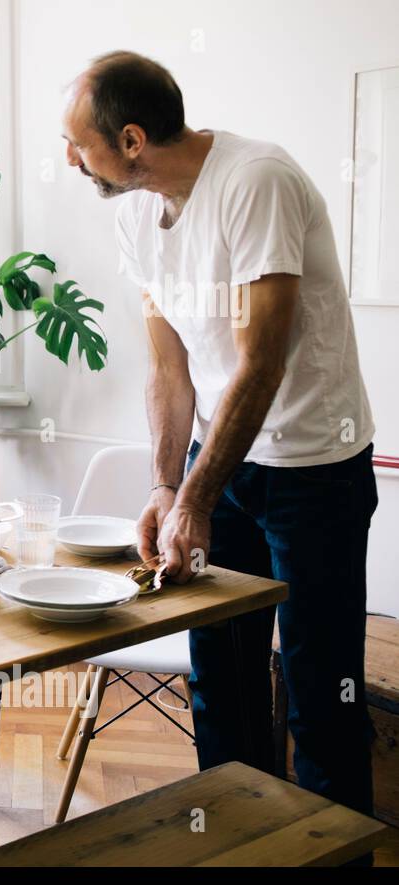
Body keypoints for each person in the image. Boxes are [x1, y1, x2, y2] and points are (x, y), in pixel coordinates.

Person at [63, 51, 377, 816]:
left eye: (79, 143)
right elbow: (169, 369)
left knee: (319, 698)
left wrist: (196, 498)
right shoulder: (137, 213)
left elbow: (259, 362)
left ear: (132, 140)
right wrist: (168, 485)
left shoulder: (256, 180)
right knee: (222, 686)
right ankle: (240, 863)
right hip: (223, 462)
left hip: (315, 470)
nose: (69, 159)